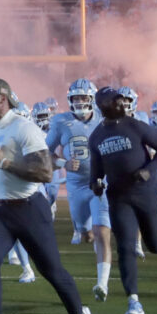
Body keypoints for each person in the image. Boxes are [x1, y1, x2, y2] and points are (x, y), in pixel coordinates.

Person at [0, 78, 91, 314]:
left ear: (2, 99)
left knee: (52, 271)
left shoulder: (24, 127)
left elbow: (45, 173)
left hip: (28, 208)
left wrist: (5, 163)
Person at [88, 87, 157, 314]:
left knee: (152, 244)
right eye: (117, 100)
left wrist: (148, 171)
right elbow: (96, 171)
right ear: (104, 106)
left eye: (122, 100)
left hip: (145, 192)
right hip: (118, 198)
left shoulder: (135, 125)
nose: (122, 103)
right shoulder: (96, 136)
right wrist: (96, 184)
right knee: (126, 247)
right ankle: (133, 302)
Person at [45, 79, 112, 301]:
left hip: (100, 183)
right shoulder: (61, 121)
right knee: (87, 234)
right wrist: (63, 163)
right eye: (76, 98)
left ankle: (102, 284)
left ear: (92, 99)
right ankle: (86, 233)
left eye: (84, 98)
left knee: (102, 230)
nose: (80, 102)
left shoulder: (105, 120)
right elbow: (44, 153)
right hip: (75, 185)